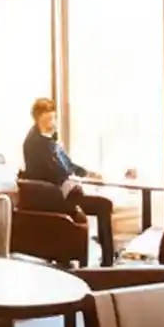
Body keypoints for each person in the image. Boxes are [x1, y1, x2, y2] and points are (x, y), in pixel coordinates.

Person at [22, 97, 115, 265]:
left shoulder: (48, 140)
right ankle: (108, 261)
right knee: (103, 205)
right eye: (49, 118)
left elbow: (67, 164)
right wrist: (73, 181)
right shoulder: (36, 143)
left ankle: (108, 258)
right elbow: (53, 171)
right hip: (53, 195)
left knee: (102, 204)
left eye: (53, 118)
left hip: (61, 190)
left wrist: (87, 173)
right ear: (38, 118)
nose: (52, 122)